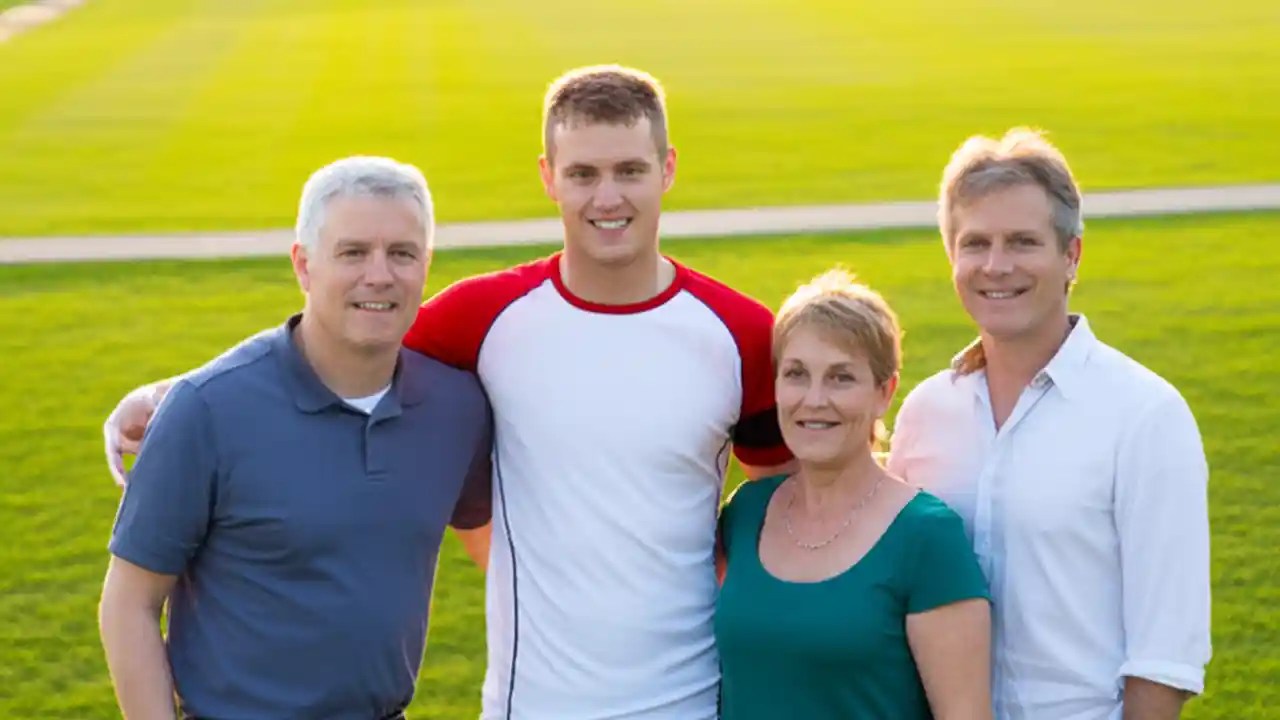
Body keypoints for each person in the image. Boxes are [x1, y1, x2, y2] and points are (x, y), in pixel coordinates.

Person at [103, 66, 793, 719]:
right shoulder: (479, 320)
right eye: (582, 173)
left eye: (630, 171)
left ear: (667, 169)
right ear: (548, 178)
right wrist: (177, 392)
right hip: (528, 704)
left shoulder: (740, 332)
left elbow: (793, 500)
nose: (606, 197)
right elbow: (343, 328)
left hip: (698, 701)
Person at [98, 156, 493, 720]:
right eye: (353, 252)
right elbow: (129, 604)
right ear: (304, 266)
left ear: (425, 266)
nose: (379, 275)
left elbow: (496, 534)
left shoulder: (456, 408)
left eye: (401, 253)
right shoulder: (206, 411)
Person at [887, 128, 1212, 719]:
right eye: (975, 243)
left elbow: (1165, 658)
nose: (996, 266)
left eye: (1022, 242)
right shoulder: (925, 414)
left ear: (1072, 255)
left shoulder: (1145, 417)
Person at [715, 269, 992, 719]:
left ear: (884, 393)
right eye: (797, 374)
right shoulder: (747, 511)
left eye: (841, 378)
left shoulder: (926, 537)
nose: (815, 399)